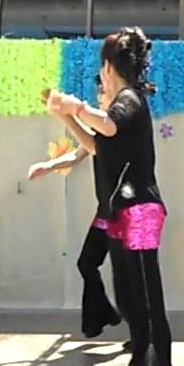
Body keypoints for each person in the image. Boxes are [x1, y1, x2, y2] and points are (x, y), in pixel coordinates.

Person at [50, 27, 177, 366]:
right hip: (122, 213)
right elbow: (96, 144)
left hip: (139, 211)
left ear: (108, 66)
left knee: (145, 297)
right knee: (129, 294)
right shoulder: (119, 105)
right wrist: (67, 117)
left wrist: (75, 107)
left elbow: (107, 125)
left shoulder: (129, 100)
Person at [30, 76, 125, 339]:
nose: (100, 98)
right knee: (87, 263)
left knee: (127, 275)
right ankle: (103, 315)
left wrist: (68, 113)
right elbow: (80, 151)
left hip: (126, 212)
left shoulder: (120, 126)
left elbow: (93, 146)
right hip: (106, 211)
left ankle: (137, 331)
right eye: (99, 93)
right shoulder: (100, 128)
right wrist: (47, 166)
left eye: (103, 93)